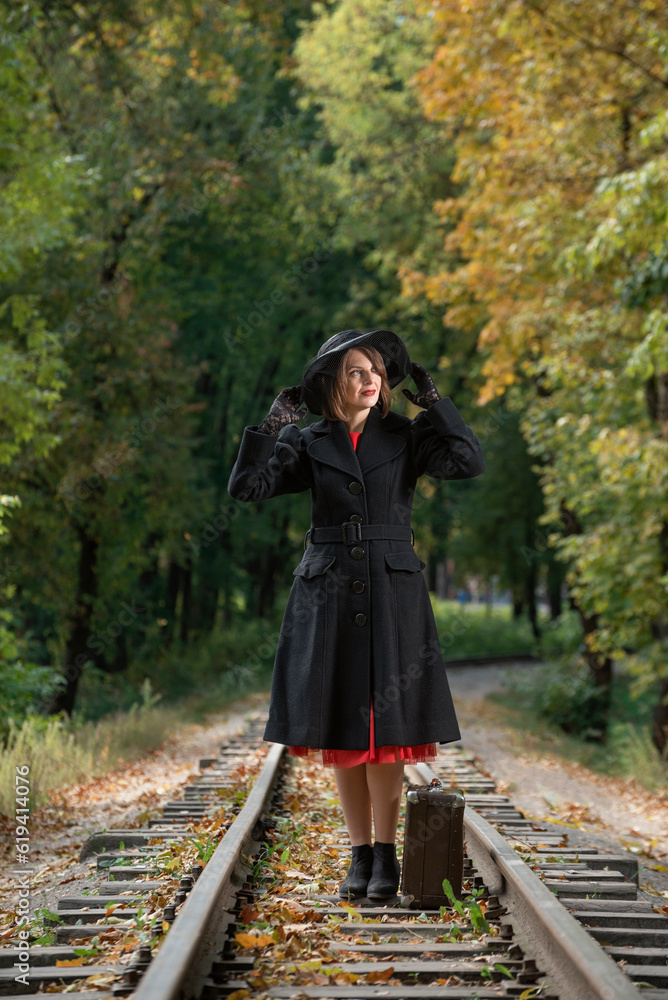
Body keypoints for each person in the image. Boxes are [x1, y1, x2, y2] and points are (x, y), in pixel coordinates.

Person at [227, 328, 484, 900]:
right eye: (355, 373)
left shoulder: (407, 435)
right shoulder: (308, 441)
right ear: (330, 384)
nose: (371, 382)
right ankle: (359, 855)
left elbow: (468, 460)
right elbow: (246, 487)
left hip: (394, 594)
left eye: (376, 372)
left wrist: (434, 401)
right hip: (329, 593)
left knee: (385, 735)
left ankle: (387, 857)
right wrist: (270, 427)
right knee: (346, 731)